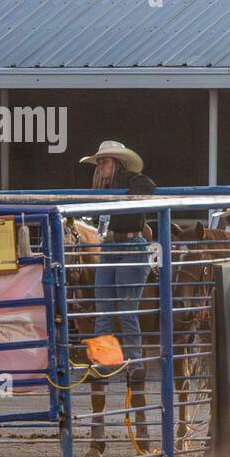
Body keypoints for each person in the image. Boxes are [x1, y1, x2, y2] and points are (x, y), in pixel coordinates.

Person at [80, 141, 156, 368]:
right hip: (112, 247)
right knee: (104, 311)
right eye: (100, 162)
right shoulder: (103, 189)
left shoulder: (130, 180)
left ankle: (135, 366)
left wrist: (121, 203)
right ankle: (105, 364)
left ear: (117, 164)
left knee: (125, 311)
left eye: (105, 161)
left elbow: (148, 184)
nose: (101, 165)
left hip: (130, 246)